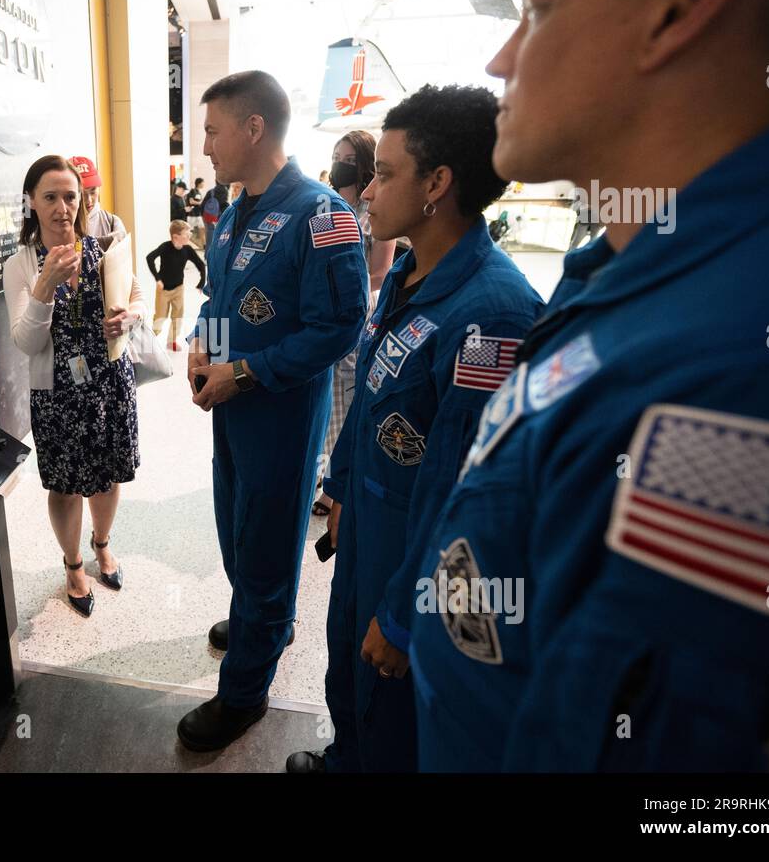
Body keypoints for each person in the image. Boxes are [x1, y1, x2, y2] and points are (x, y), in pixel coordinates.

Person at [410, 0, 769, 771]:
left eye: (543, 8)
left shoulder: (750, 376)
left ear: (682, 4)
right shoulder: (632, 269)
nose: (501, 57)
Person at [286, 86, 542, 773]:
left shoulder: (493, 315)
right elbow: (370, 401)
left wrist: (404, 613)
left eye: (385, 173)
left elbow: (466, 491)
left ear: (437, 184)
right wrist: (339, 490)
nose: (366, 192)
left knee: (392, 709)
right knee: (349, 676)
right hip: (365, 526)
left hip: (414, 557)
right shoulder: (406, 269)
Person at [178, 70, 368, 751]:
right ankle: (268, 620)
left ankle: (243, 694)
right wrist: (207, 354)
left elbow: (340, 325)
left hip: (280, 420)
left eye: (212, 130)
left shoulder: (323, 216)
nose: (204, 146)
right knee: (237, 534)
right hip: (230, 411)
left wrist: (246, 372)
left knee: (264, 547)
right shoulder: (233, 214)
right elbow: (221, 301)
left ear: (253, 128)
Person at [4, 155, 145, 618]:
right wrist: (45, 285)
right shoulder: (21, 265)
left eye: (71, 196)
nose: (62, 207)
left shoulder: (103, 248)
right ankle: (71, 565)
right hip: (57, 394)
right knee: (65, 486)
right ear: (31, 203)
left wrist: (130, 316)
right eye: (50, 197)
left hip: (108, 383)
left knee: (106, 475)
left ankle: (102, 544)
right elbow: (26, 341)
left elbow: (138, 295)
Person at [312, 129, 401, 519]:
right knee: (325, 400)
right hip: (319, 318)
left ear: (364, 164)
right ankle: (321, 471)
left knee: (346, 401)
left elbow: (380, 271)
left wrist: (350, 302)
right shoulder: (325, 208)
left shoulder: (374, 211)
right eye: (335, 156)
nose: (339, 164)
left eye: (347, 159)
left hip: (356, 317)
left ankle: (335, 487)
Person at [146, 220, 206, 350]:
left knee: (177, 317)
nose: (189, 235)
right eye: (186, 234)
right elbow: (149, 258)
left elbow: (201, 265)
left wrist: (201, 282)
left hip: (179, 288)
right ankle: (153, 339)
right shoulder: (165, 247)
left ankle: (171, 342)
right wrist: (157, 279)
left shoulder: (187, 249)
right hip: (163, 290)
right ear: (175, 237)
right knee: (160, 317)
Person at [70, 155, 127, 250]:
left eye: (93, 191)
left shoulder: (112, 223)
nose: (89, 200)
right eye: (82, 194)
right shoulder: (62, 225)